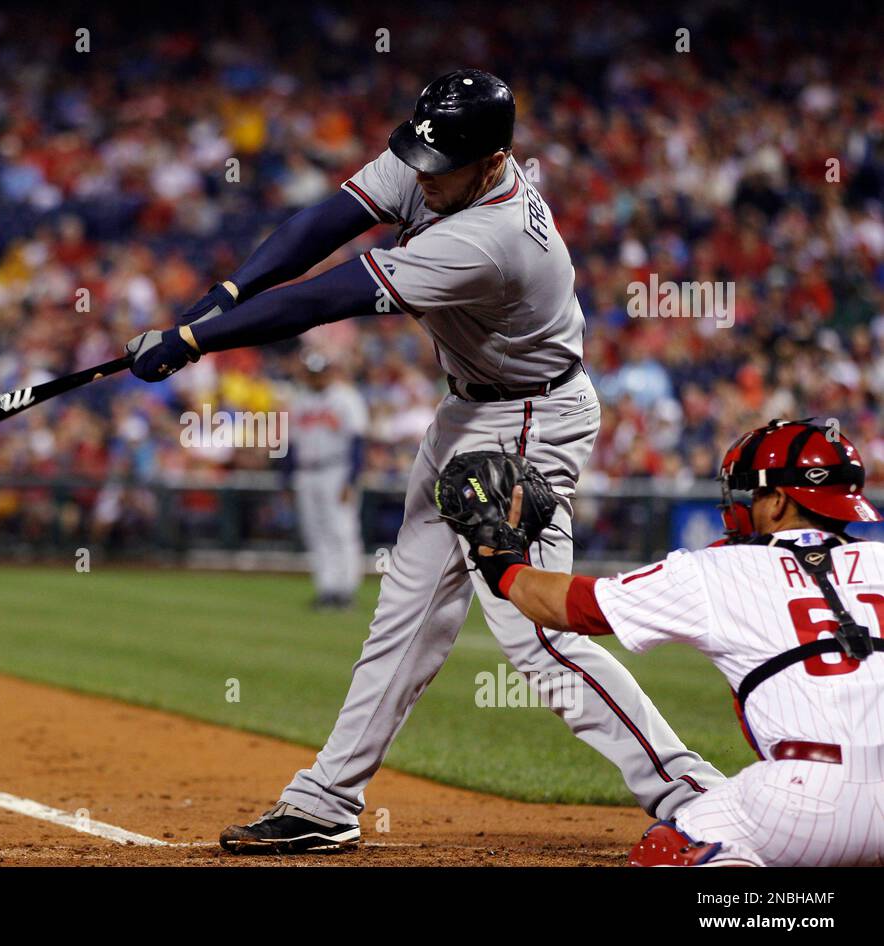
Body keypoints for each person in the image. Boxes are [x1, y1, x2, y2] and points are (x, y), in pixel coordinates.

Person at [126, 69, 721, 854]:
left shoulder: (489, 238)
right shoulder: (441, 160)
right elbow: (325, 223)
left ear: (494, 159)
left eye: (443, 165)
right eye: (420, 155)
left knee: (537, 630)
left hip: (528, 421)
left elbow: (326, 296)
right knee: (403, 616)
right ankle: (326, 800)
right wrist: (229, 290)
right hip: (471, 409)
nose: (422, 175)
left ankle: (696, 793)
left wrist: (195, 341)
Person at [467, 420, 884, 866]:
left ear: (779, 501)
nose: (748, 505)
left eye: (756, 495)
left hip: (799, 798)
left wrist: (502, 563)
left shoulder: (721, 568)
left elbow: (574, 608)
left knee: (667, 851)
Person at [287, 351, 367, 610]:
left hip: (337, 469)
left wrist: (351, 480)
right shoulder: (299, 400)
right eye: (312, 373)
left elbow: (357, 441)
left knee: (341, 530)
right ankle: (326, 588)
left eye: (320, 373)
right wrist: (287, 479)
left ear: (329, 372)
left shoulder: (345, 398)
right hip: (306, 472)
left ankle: (346, 590)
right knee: (315, 531)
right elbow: (292, 444)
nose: (316, 378)